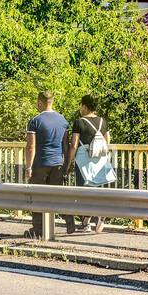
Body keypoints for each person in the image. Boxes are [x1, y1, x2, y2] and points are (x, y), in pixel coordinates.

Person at [24, 91, 74, 236]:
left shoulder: (35, 120)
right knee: (57, 195)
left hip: (40, 164)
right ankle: (69, 218)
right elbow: (66, 145)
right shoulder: (62, 120)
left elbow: (31, 146)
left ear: (40, 102)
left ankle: (38, 230)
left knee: (37, 197)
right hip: (58, 163)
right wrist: (66, 165)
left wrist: (28, 166)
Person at [66, 95, 115, 234]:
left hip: (83, 161)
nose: (79, 108)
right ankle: (98, 215)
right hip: (98, 160)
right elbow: (107, 141)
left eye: (81, 105)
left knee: (82, 191)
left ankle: (86, 223)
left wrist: (69, 162)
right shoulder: (102, 121)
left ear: (85, 106)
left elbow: (74, 144)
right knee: (96, 190)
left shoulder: (79, 122)